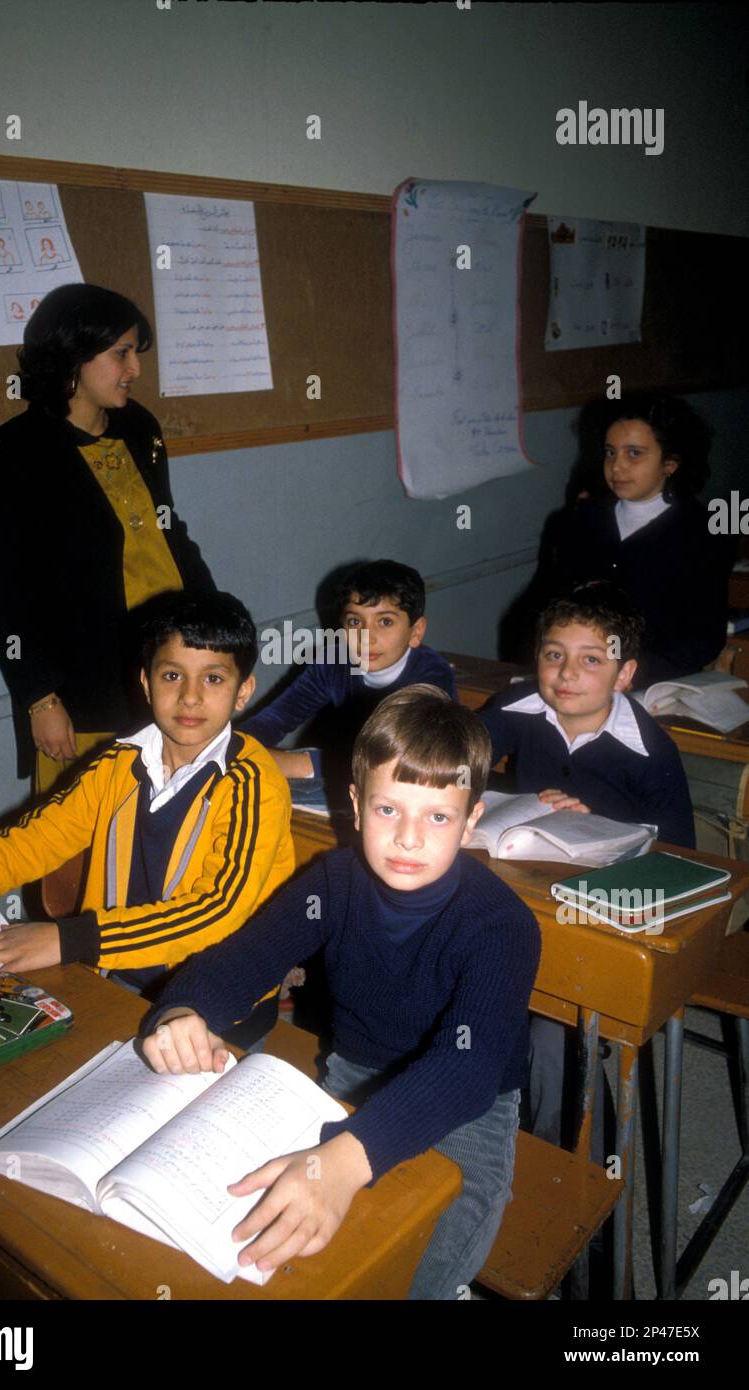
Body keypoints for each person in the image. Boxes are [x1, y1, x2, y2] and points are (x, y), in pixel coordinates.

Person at [141, 685, 540, 1297]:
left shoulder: (502, 924)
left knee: (418, 1263)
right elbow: (248, 957)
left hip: (471, 1109)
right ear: (355, 805)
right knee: (280, 1236)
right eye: (388, 810)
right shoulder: (333, 881)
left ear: (470, 821)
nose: (409, 838)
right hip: (354, 1072)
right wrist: (187, 1008)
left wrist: (346, 1160)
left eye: (437, 816)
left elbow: (467, 1067)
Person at [0, 594, 295, 1041]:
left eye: (213, 678)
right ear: (146, 681)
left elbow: (216, 912)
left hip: (218, 1007)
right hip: (120, 980)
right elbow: (38, 839)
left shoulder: (253, 785)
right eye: (172, 675)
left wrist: (70, 940)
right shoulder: (118, 764)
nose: (190, 696)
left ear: (244, 691)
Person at [0, 282, 215, 791]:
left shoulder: (140, 428)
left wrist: (216, 630)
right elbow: (5, 592)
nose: (135, 370)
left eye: (135, 353)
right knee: (88, 838)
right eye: (121, 353)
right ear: (73, 357)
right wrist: (40, 698)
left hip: (172, 663)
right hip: (85, 685)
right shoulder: (5, 457)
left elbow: (169, 530)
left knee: (173, 822)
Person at [518, 394, 736, 687]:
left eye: (634, 454)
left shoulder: (702, 533)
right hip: (570, 676)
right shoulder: (575, 523)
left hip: (652, 683)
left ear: (670, 463)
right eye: (610, 452)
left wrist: (629, 676)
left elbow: (702, 636)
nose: (617, 466)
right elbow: (540, 608)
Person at [480, 583, 695, 849]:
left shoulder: (652, 752)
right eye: (555, 655)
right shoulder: (514, 707)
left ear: (623, 675)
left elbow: (679, 851)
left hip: (610, 879)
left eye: (591, 660)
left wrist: (590, 828)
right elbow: (460, 764)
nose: (567, 672)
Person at [240, 560, 457, 788]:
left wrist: (302, 764)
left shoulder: (432, 676)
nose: (366, 637)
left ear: (416, 631)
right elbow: (275, 719)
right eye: (355, 621)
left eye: (385, 622)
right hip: (348, 776)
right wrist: (233, 745)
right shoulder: (333, 663)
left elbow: (402, 759)